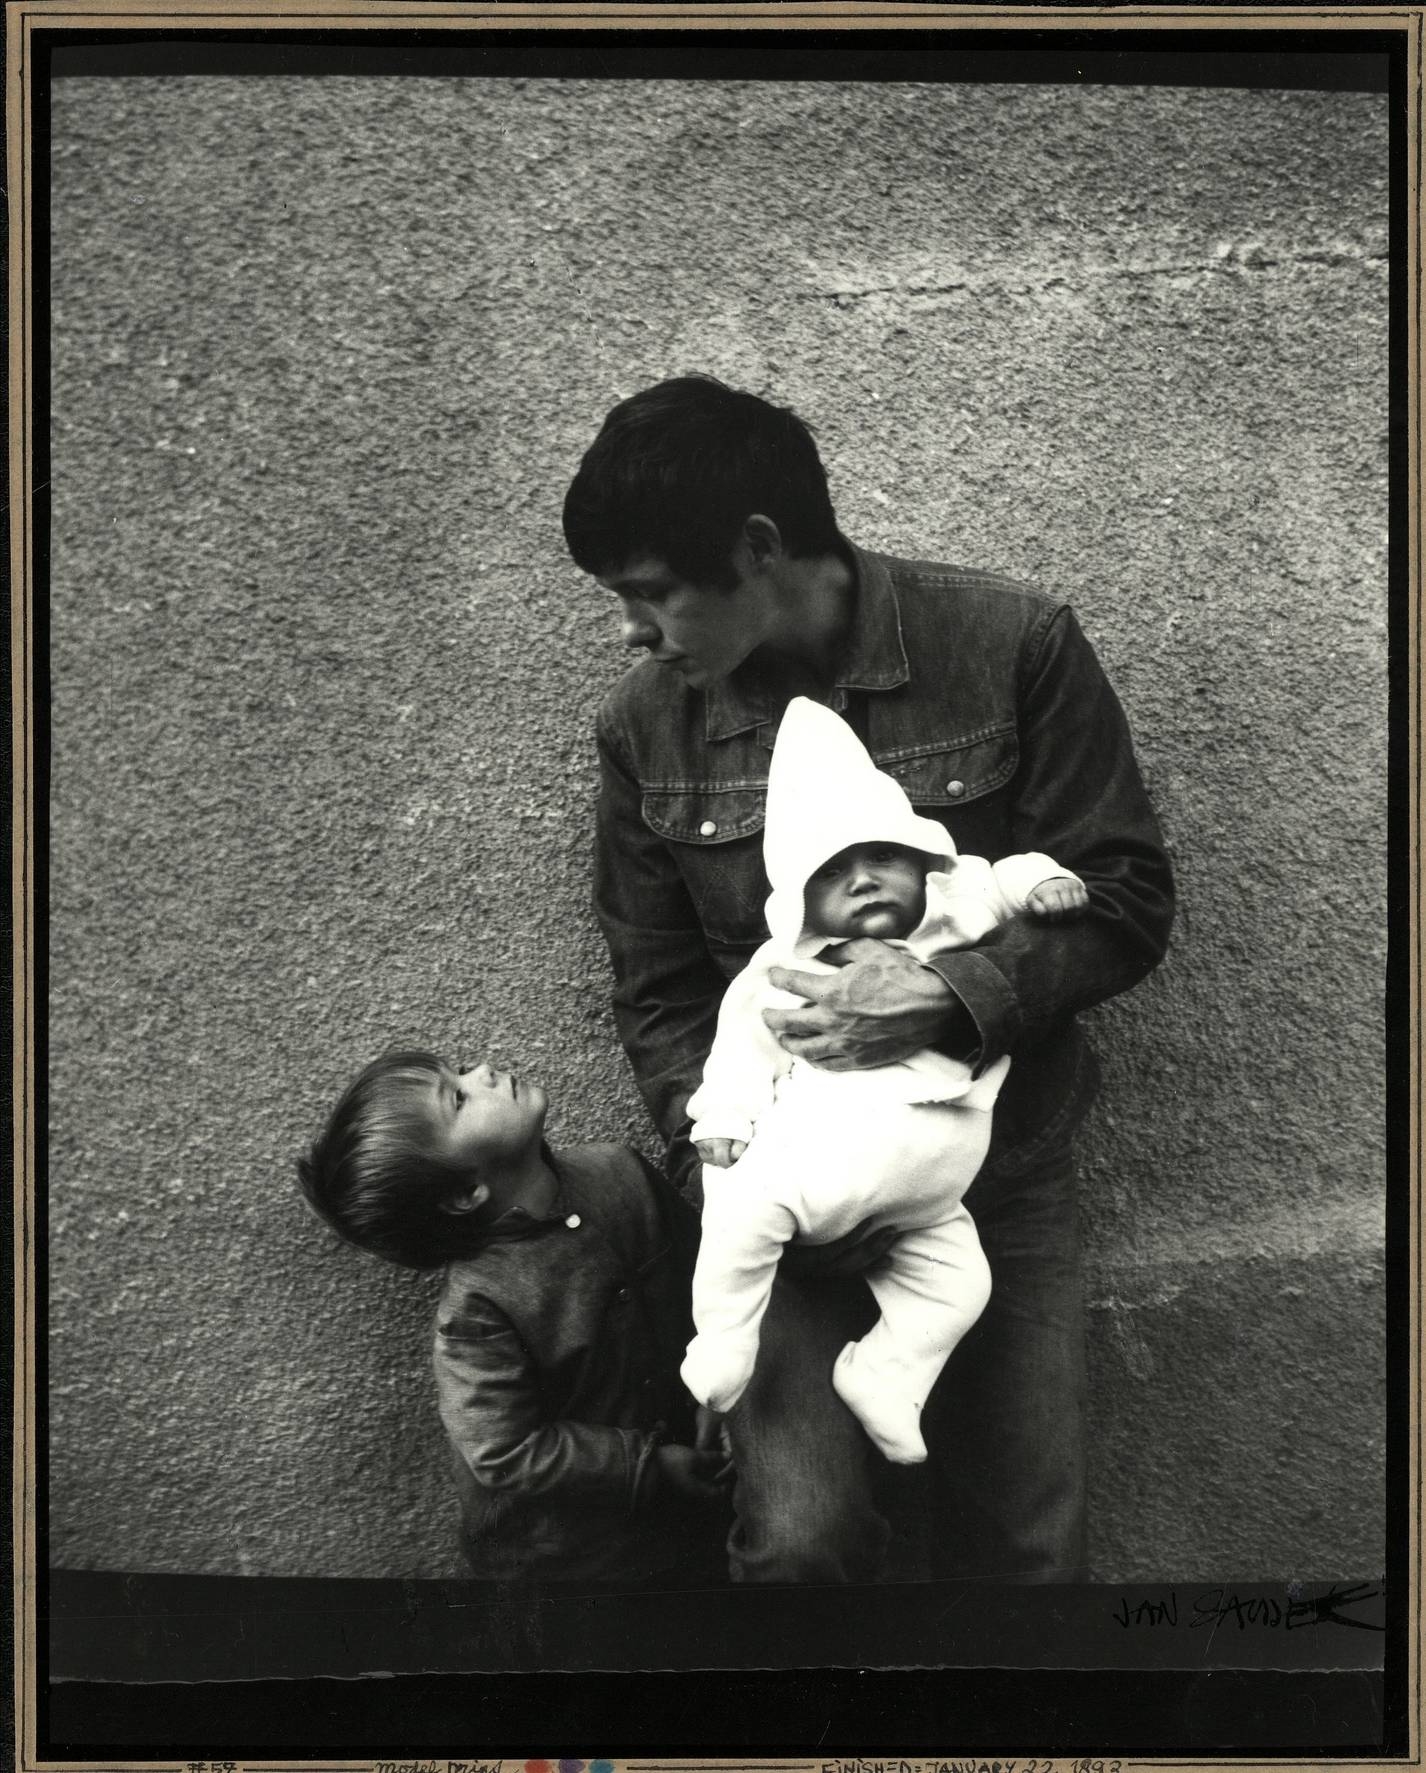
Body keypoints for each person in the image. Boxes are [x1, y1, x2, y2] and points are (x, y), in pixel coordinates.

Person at [562, 374, 1174, 1584]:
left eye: (652, 593)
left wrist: (950, 996)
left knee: (1026, 1549)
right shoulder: (646, 728)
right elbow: (660, 992)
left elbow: (1123, 898)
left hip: (987, 1175)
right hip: (783, 1193)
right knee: (802, 1544)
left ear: (758, 547)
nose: (633, 630)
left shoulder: (1010, 644)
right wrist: (738, 1173)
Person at [682, 695, 1087, 1466]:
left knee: (960, 1286)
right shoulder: (784, 970)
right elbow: (741, 1048)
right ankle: (724, 1340)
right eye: (834, 871)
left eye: (883, 858)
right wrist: (724, 1119)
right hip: (809, 1175)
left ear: (924, 861)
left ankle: (888, 1375)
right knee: (741, 1217)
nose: (865, 880)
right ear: (801, 895)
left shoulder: (954, 911)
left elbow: (1006, 877)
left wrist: (1044, 881)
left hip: (929, 1202)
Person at [296, 1048, 731, 1586]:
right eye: (458, 1099)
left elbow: (714, 1276)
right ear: (465, 1193)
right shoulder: (477, 1312)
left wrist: (718, 1389)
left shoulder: (619, 1172)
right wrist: (650, 1466)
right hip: (582, 1561)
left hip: (704, 1498)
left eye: (459, 1070)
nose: (483, 1072)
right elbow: (504, 1450)